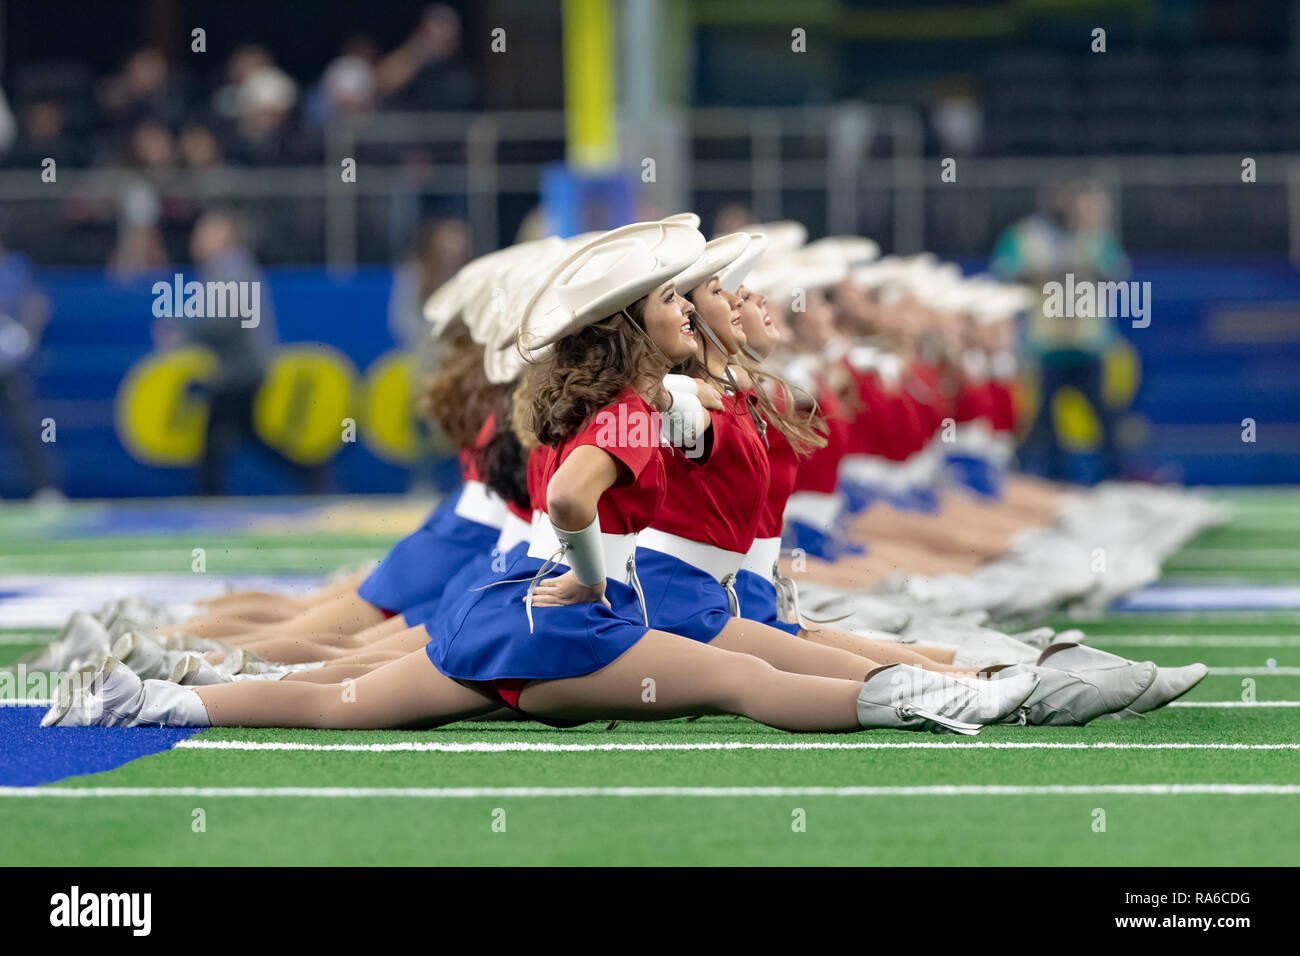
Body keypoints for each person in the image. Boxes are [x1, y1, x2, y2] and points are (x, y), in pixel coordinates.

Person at [993, 180, 1128, 481]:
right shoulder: (1024, 236)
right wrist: (1040, 275)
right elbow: (1003, 274)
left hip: (1087, 342)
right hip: (1045, 344)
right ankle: (1054, 481)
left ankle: (1115, 478)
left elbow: (1117, 274)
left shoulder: (1094, 236)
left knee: (1104, 418)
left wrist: (1086, 264)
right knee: (1042, 422)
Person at [0, 229, 57, 498]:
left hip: (10, 365)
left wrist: (24, 335)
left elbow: (37, 304)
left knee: (25, 428)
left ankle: (44, 489)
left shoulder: (16, 267)